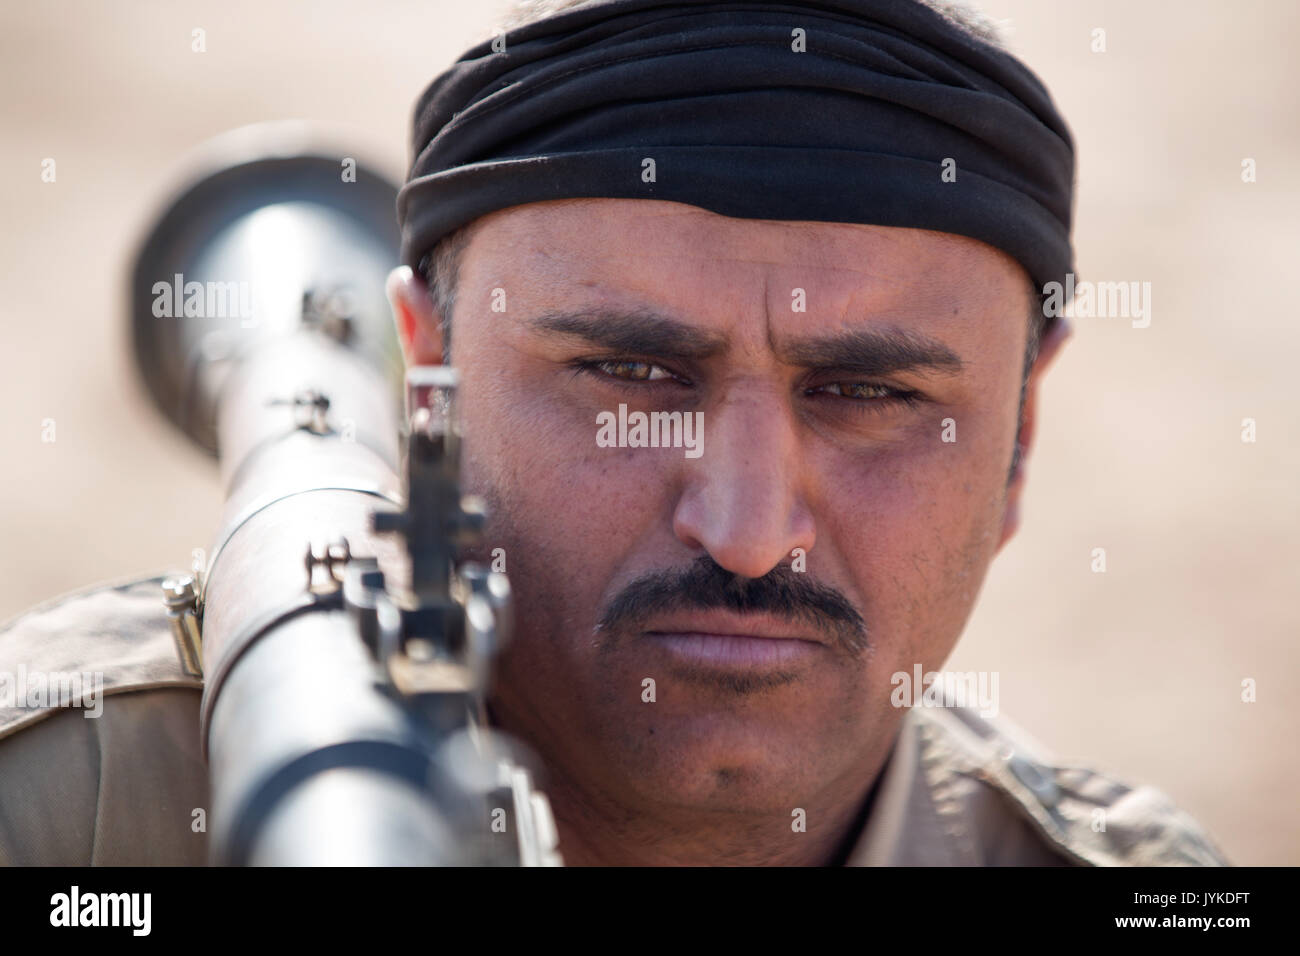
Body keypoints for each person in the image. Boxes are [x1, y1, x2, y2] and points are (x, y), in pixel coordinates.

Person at [0, 0, 1228, 866]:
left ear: (1017, 437)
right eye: (629, 373)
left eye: (871, 395)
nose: (746, 533)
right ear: (424, 381)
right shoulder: (66, 815)